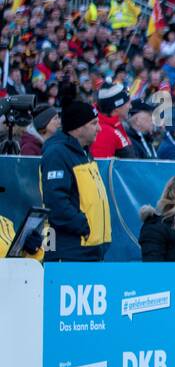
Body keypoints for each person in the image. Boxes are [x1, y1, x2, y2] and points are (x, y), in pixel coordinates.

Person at [39, 100, 111, 261]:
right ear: (78, 128)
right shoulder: (57, 154)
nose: (99, 128)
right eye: (94, 123)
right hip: (70, 251)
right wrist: (84, 227)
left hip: (88, 250)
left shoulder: (83, 153)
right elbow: (55, 202)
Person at [90, 82, 132, 158]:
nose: (130, 106)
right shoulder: (103, 132)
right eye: (128, 103)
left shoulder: (115, 123)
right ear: (117, 108)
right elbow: (101, 167)